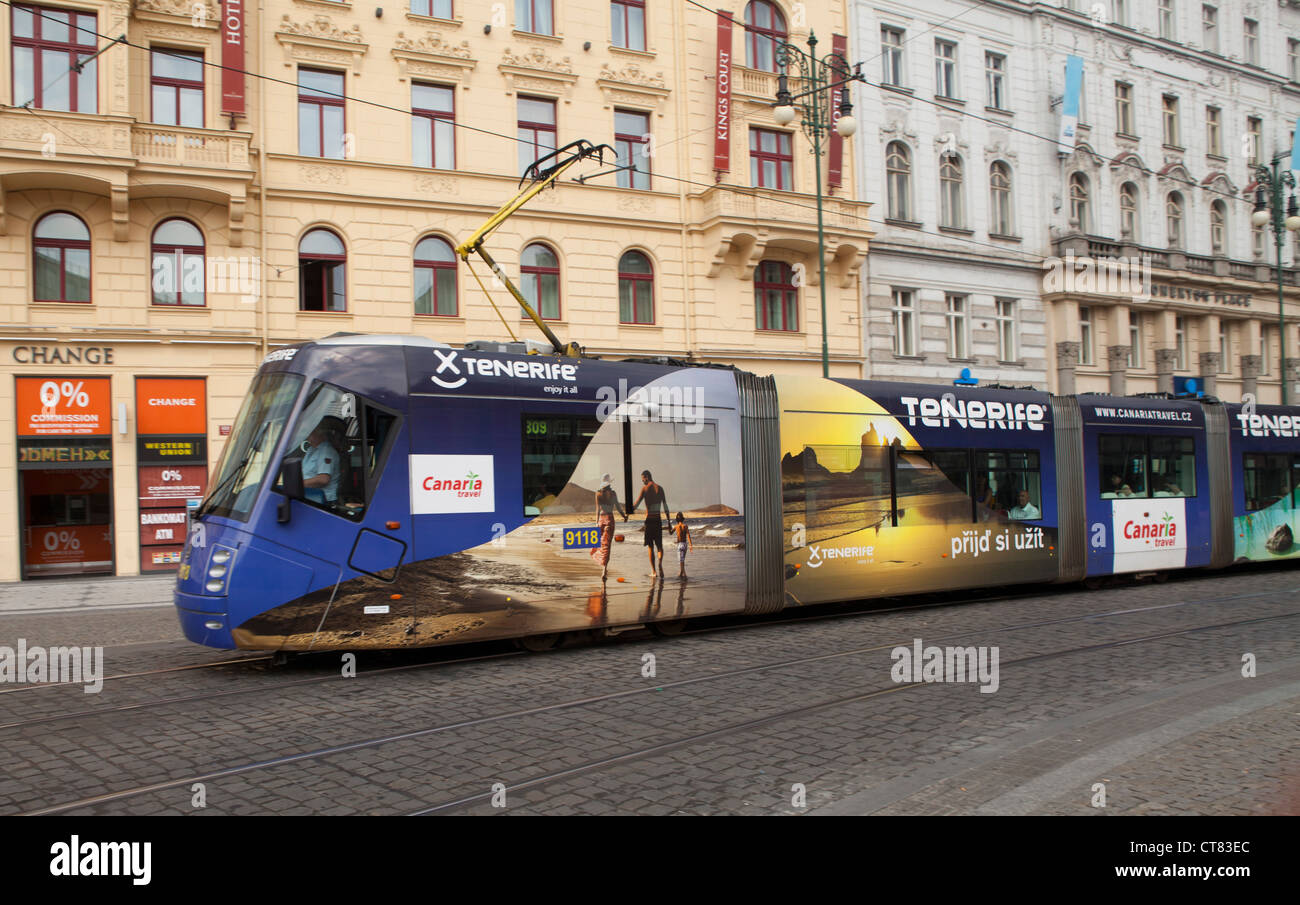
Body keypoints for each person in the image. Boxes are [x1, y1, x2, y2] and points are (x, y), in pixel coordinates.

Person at [631, 470, 670, 578]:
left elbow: (636, 504)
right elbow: (665, 506)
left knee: (650, 547)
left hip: (649, 520)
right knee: (659, 546)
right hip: (658, 519)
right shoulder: (660, 488)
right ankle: (660, 564)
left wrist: (627, 511)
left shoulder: (645, 489)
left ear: (646, 477)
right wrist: (669, 522)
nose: (642, 481)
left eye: (642, 479)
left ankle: (654, 571)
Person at [590, 473, 627, 583]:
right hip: (609, 519)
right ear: (609, 482)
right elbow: (618, 508)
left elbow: (597, 509)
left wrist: (596, 522)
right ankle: (604, 570)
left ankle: (602, 567)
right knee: (607, 546)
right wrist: (624, 516)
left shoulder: (598, 493)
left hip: (601, 519)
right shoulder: (613, 493)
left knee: (600, 544)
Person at [302, 416, 344, 505]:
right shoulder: (312, 449)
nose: (307, 436)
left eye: (310, 432)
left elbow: (323, 479)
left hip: (323, 501)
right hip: (310, 496)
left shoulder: (326, 451)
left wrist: (298, 484)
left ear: (319, 432)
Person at [673, 512, 694, 578]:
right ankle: (681, 572)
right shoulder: (685, 526)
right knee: (682, 560)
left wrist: (668, 526)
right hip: (685, 545)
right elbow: (688, 536)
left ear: (677, 519)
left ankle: (684, 574)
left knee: (681, 561)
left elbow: (670, 533)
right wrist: (690, 545)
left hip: (680, 545)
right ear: (682, 519)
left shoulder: (676, 526)